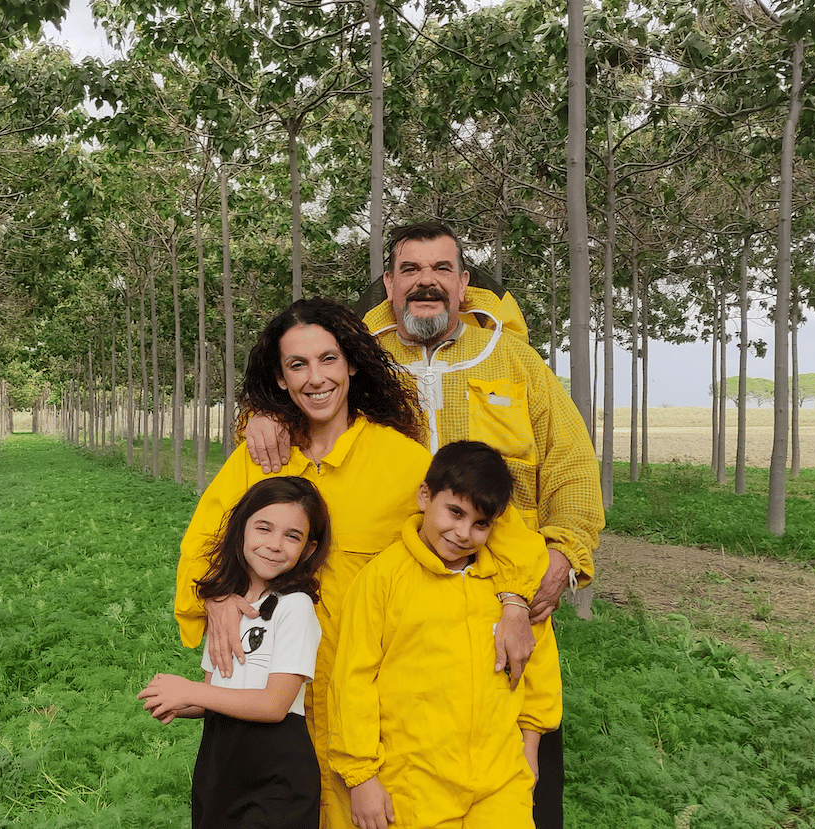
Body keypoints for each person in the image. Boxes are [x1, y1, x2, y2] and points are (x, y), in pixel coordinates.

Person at [246, 222, 604, 827]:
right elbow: (303, 390)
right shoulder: (363, 364)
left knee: (520, 775)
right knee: (391, 765)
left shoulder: (515, 361)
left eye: (441, 269)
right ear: (389, 285)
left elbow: (570, 464)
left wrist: (560, 559)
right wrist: (261, 414)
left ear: (464, 283)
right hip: (396, 601)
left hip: (503, 593)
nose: (426, 282)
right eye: (410, 270)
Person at [176, 297, 549, 829]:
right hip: (273, 702)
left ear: (351, 364)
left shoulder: (402, 462)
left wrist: (513, 601)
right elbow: (203, 545)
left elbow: (503, 533)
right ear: (280, 379)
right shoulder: (260, 458)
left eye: (328, 359)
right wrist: (215, 596)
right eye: (297, 365)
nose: (315, 378)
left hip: (368, 706)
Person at [329, 441, 561, 829]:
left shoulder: (510, 589)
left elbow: (539, 669)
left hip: (500, 782)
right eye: (455, 512)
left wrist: (530, 748)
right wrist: (361, 776)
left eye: (481, 524)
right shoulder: (383, 579)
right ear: (425, 496)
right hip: (412, 785)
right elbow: (352, 681)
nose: (463, 533)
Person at [141, 476, 331, 828]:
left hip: (275, 776)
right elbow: (216, 693)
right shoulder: (226, 609)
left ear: (308, 549)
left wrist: (190, 691)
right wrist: (177, 703)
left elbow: (274, 704)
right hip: (220, 767)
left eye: (292, 536)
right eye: (264, 528)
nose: (274, 545)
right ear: (241, 528)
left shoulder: (295, 607)